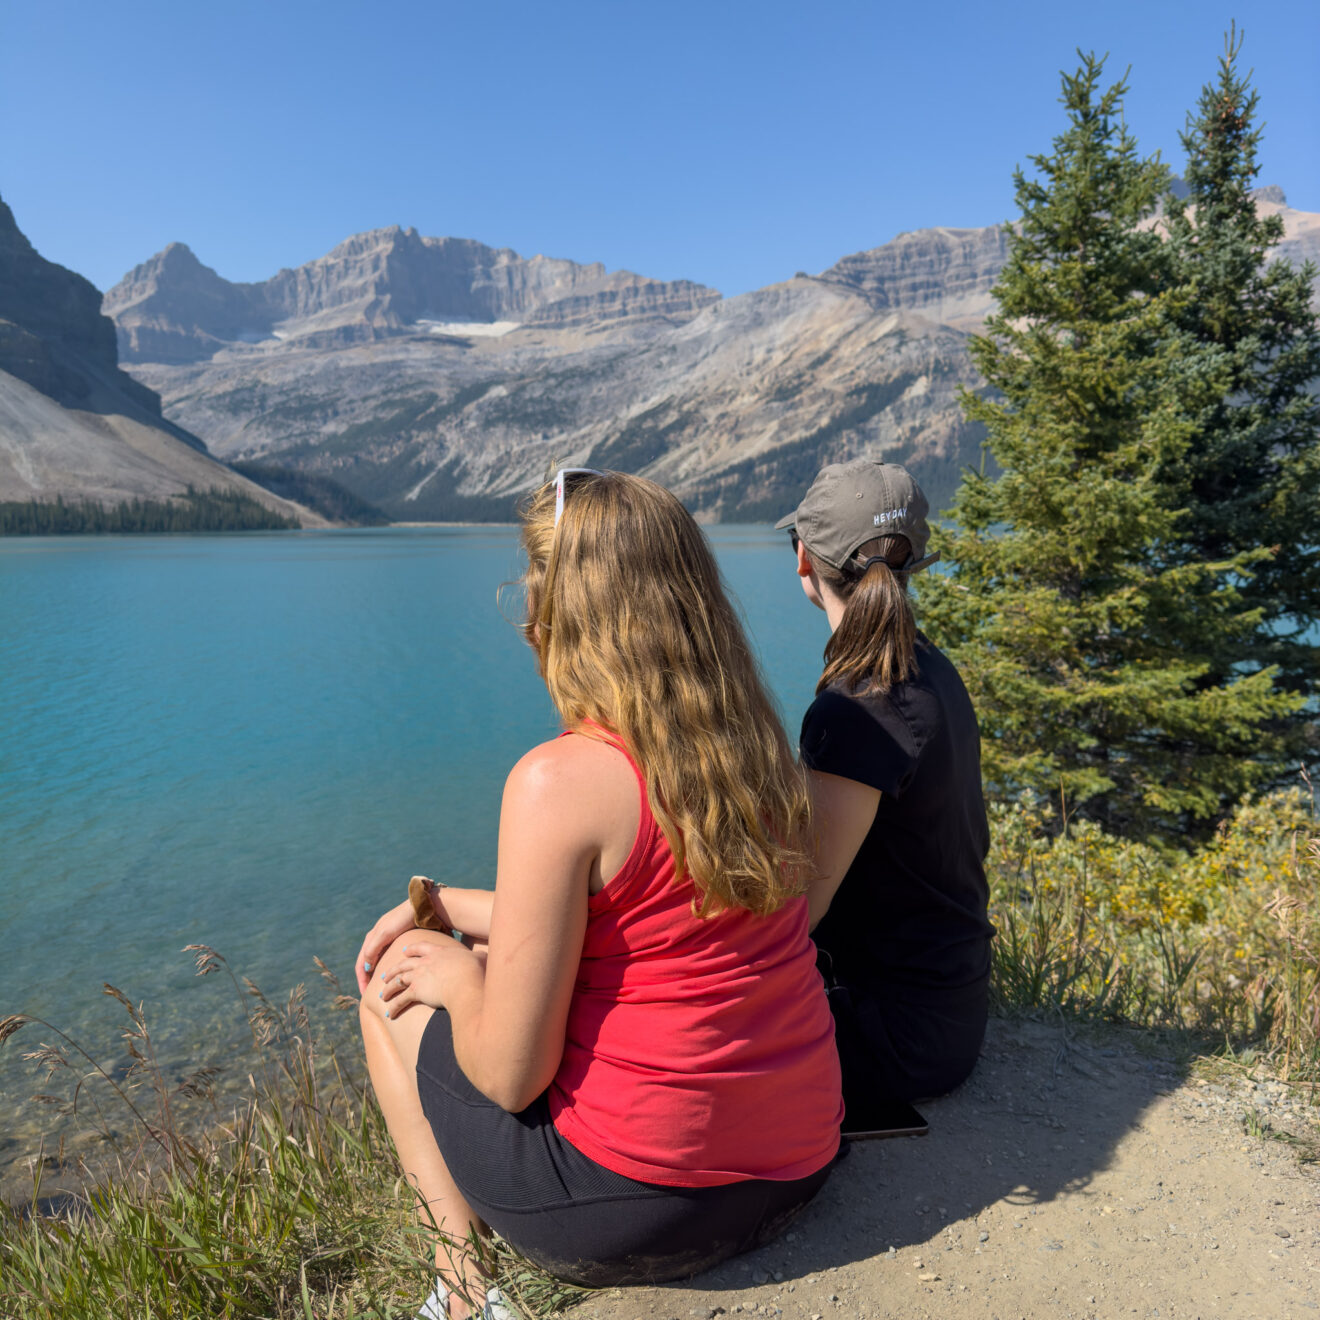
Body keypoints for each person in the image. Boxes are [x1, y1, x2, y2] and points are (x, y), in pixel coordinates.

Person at [357, 469, 843, 1320]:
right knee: (445, 950)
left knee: (391, 986)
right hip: (798, 1169)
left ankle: (463, 1288)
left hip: (637, 1209)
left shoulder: (561, 781)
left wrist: (455, 975)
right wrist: (452, 905)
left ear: (565, 611)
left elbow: (512, 1078)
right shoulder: (759, 756)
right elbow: (650, 928)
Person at [774, 458, 993, 1114]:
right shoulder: (925, 669)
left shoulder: (859, 707)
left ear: (804, 561)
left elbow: (800, 912)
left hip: (895, 1033)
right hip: (943, 1010)